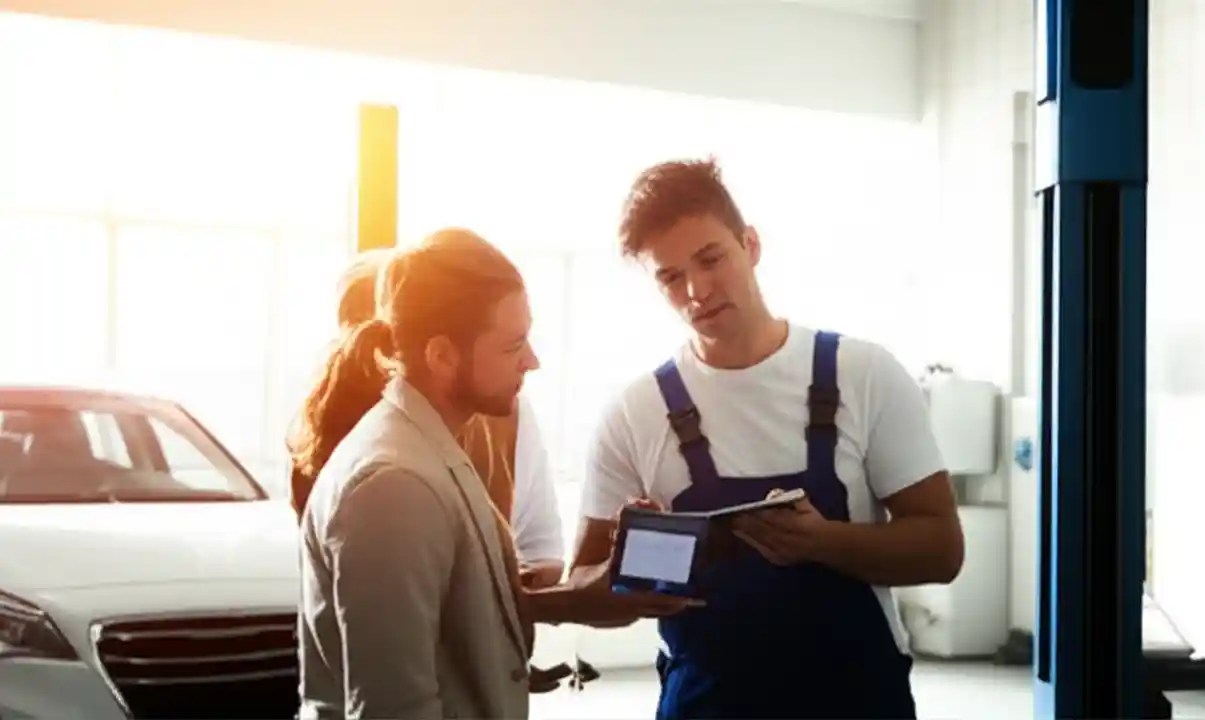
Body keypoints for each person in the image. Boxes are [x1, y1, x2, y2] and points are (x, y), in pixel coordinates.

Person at [570, 159, 966, 719]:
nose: (696, 291)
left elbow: (942, 550)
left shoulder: (863, 374)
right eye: (670, 277)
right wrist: (630, 570)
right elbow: (586, 586)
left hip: (856, 700)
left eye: (711, 259)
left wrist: (822, 542)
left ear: (749, 244)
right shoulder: (636, 412)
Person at [295, 229, 694, 720]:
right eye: (512, 347)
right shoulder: (392, 486)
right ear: (442, 356)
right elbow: (394, 709)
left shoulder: (432, 446)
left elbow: (453, 619)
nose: (533, 361)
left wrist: (582, 597)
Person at [287, 250, 564, 587]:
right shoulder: (383, 478)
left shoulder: (497, 407)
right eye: (512, 346)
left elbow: (537, 552)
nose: (529, 362)